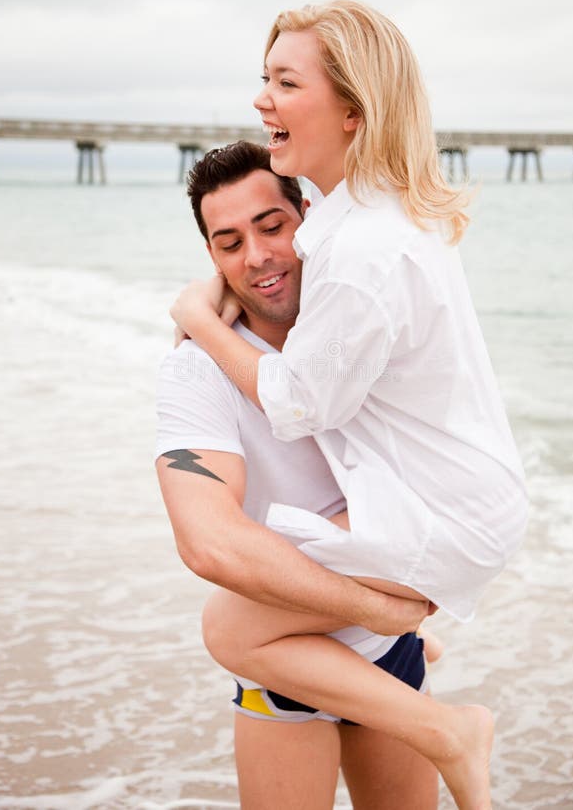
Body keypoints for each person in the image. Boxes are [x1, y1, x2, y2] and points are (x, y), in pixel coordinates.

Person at [170, 0, 529, 810]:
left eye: (286, 83)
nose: (263, 101)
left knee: (232, 630)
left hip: (438, 506)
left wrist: (198, 317)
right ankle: (408, 648)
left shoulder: (361, 250)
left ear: (354, 110)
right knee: (269, 625)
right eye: (264, 80)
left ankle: (448, 732)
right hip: (458, 491)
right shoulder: (359, 216)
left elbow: (296, 404)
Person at [156, 140, 440, 810]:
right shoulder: (194, 370)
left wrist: (391, 622)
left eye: (272, 227)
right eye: (228, 243)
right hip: (282, 660)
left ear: (307, 216)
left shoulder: (363, 324)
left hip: (390, 652)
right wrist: (379, 606)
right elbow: (208, 541)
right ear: (213, 259)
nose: (256, 257)